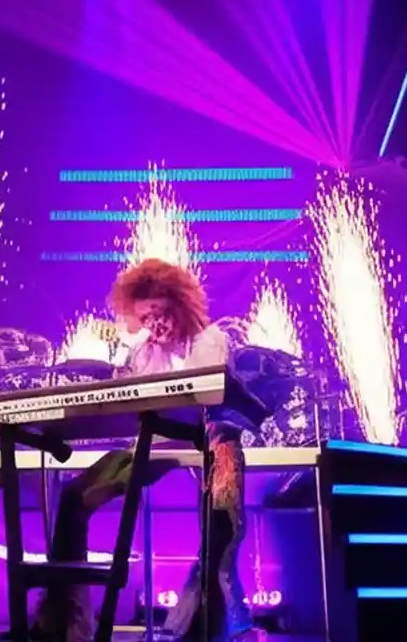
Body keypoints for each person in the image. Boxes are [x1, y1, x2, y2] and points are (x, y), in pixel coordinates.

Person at [27, 258, 250, 642]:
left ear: (180, 305)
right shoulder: (144, 352)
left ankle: (203, 623)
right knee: (75, 493)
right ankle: (64, 621)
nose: (154, 324)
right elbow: (130, 403)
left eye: (160, 313)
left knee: (222, 519)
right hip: (152, 444)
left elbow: (207, 400)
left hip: (210, 442)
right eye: (145, 317)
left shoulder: (210, 340)